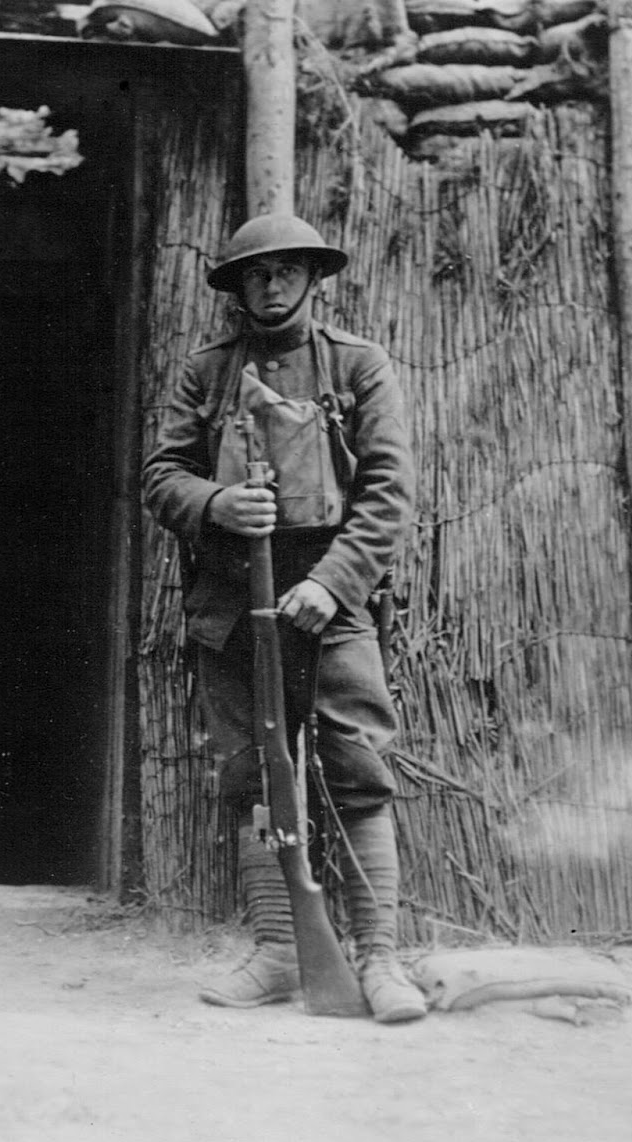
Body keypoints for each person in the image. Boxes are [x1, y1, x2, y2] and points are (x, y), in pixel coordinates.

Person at [141, 213, 427, 1023]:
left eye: (286, 272)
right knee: (253, 772)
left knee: (358, 769)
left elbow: (387, 494)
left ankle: (378, 957)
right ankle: (277, 949)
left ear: (313, 277)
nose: (270, 288)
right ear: (237, 287)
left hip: (328, 597)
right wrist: (217, 503)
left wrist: (334, 584)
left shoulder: (358, 366)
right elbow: (162, 475)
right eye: (255, 276)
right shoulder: (206, 375)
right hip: (233, 598)